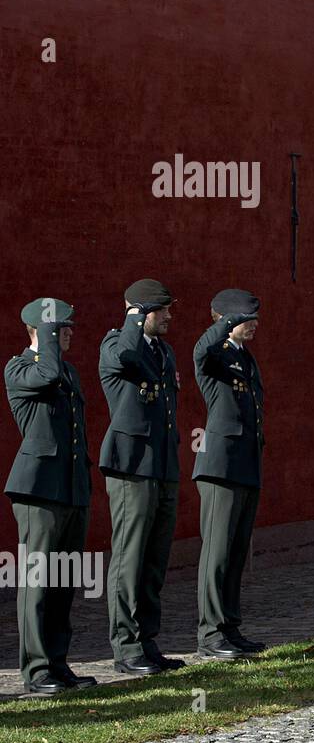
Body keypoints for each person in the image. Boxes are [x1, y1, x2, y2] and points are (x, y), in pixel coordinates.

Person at [4, 299, 96, 694]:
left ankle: (57, 663)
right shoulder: (20, 367)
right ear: (42, 332)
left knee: (64, 580)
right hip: (38, 489)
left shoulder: (68, 372)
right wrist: (47, 340)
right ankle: (36, 669)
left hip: (70, 487)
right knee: (38, 580)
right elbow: (47, 372)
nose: (71, 333)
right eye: (62, 328)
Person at [100, 279, 185, 675]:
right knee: (130, 559)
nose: (169, 315)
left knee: (154, 559)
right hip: (131, 466)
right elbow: (126, 355)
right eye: (162, 310)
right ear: (142, 312)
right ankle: (125, 645)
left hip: (161, 465)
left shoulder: (162, 351)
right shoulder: (118, 344)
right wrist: (133, 315)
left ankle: (146, 640)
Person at [192, 290, 266, 660]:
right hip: (220, 466)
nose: (254, 324)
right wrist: (225, 322)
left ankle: (229, 626)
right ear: (228, 318)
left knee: (236, 552)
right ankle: (210, 632)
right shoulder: (216, 355)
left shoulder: (243, 357)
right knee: (217, 552)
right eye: (246, 318)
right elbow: (200, 353)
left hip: (245, 464)